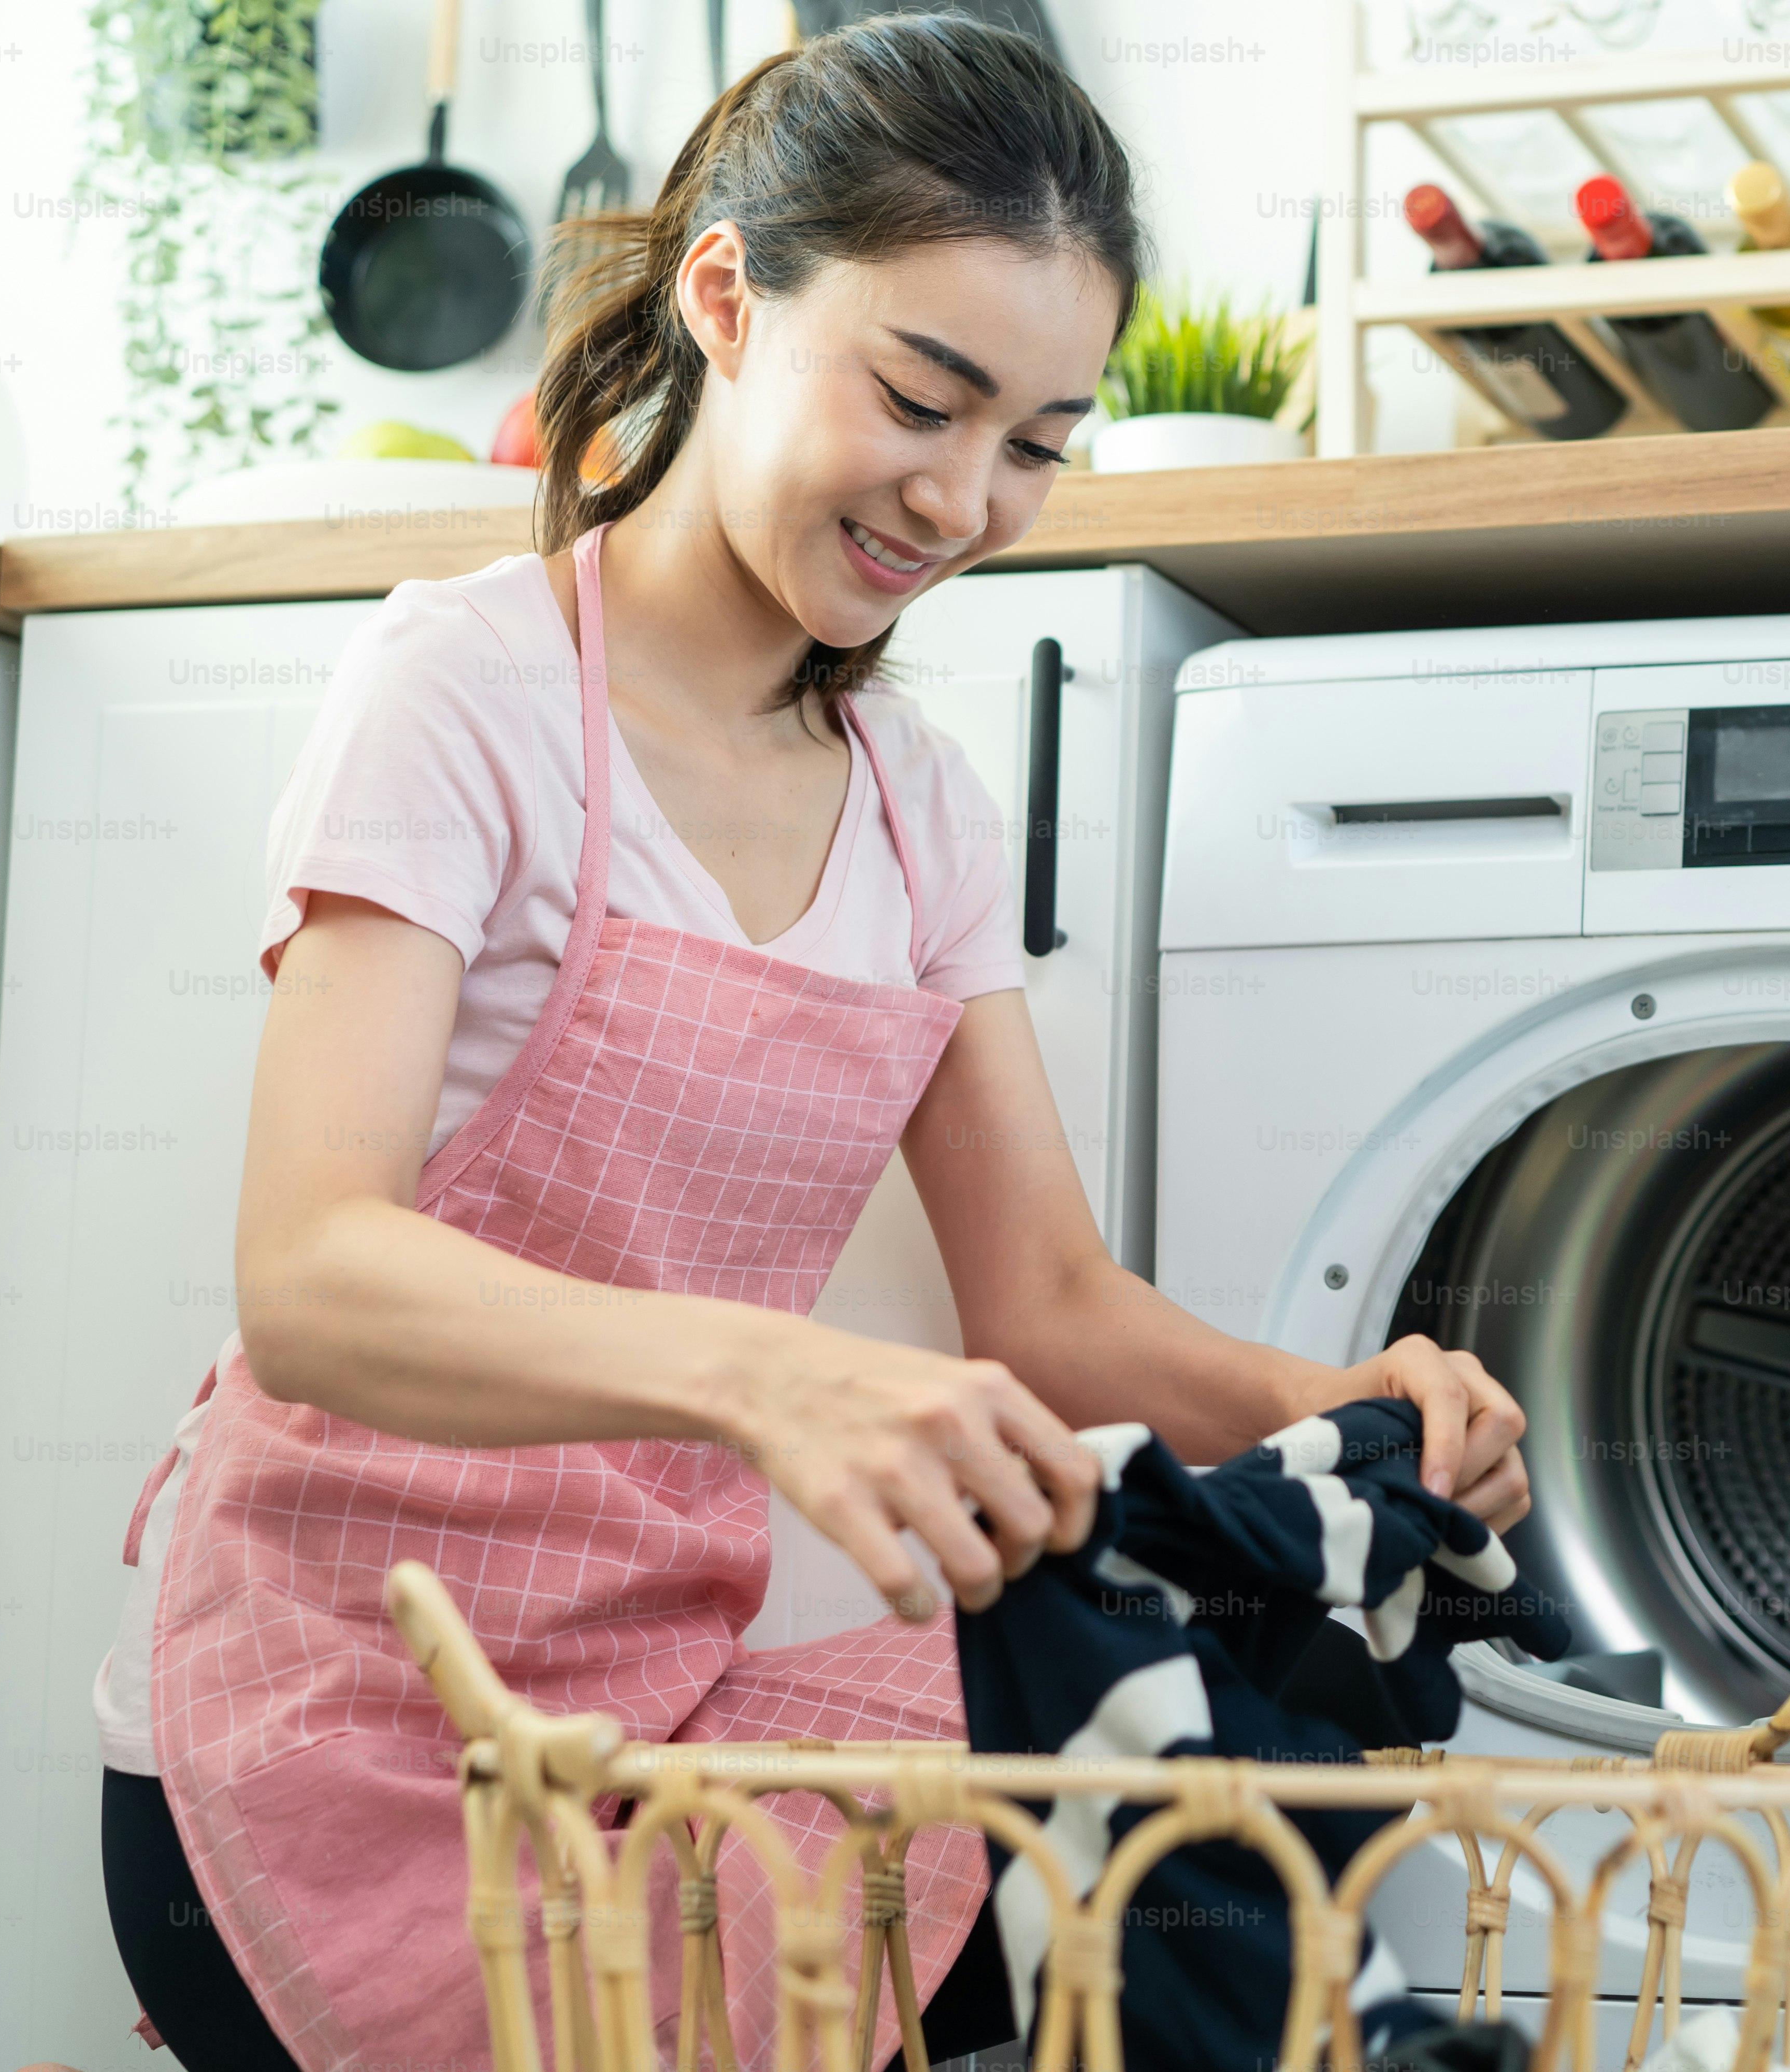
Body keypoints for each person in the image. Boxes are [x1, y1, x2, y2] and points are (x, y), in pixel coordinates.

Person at [90, 20, 1529, 2071]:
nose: (963, 498)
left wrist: (1355, 1406)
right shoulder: (467, 693)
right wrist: (784, 1380)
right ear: (726, 296)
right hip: (330, 1728)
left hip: (652, 1722)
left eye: (1038, 440)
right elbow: (311, 1277)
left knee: (1159, 1744)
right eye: (920, 398)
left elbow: (1044, 1299)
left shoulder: (922, 801)